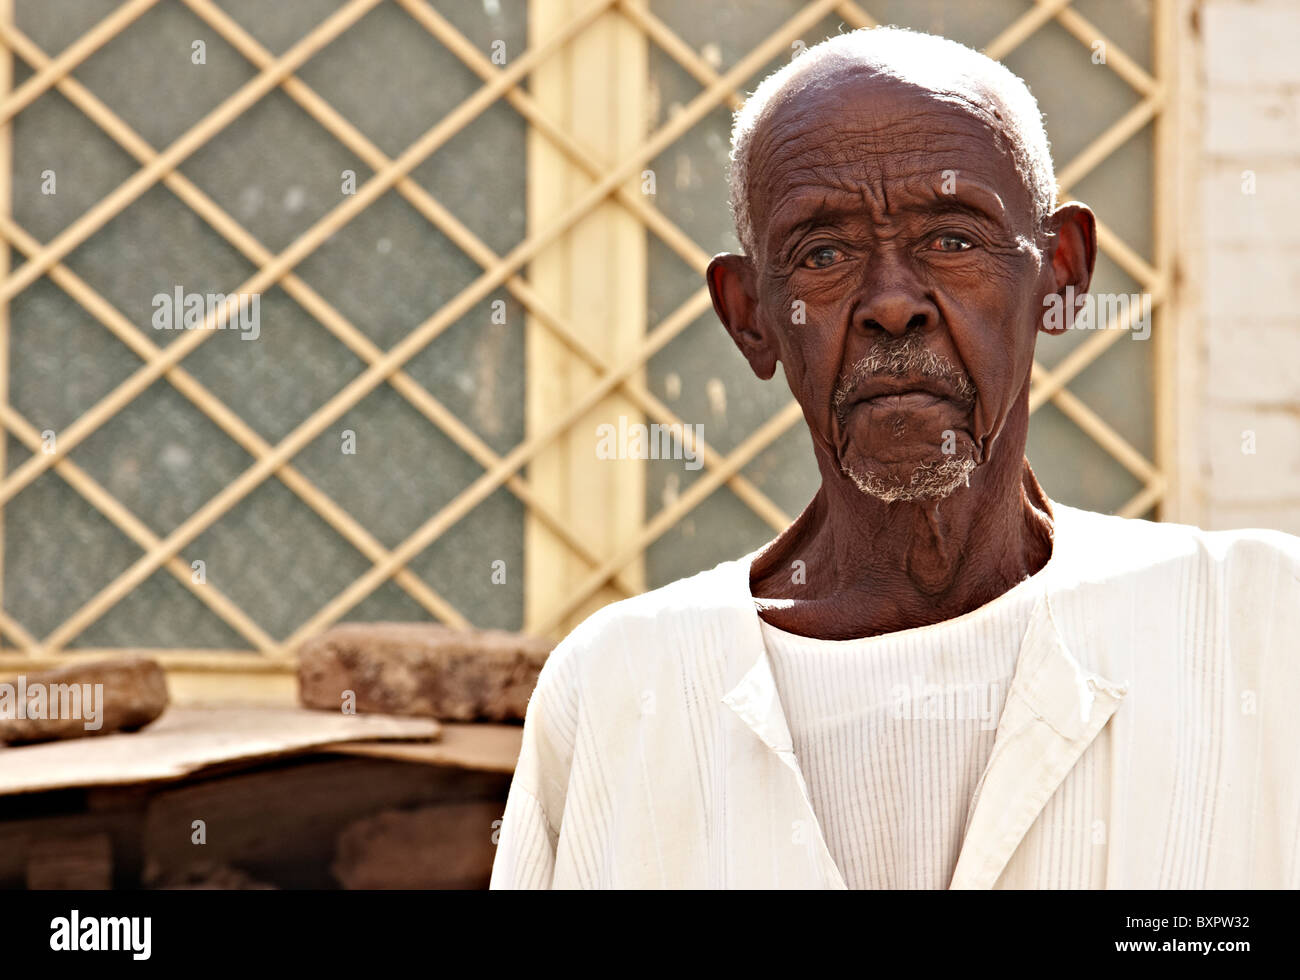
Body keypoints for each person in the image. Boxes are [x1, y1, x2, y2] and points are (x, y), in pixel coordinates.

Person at [490, 26, 1300, 889]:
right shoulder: (620, 691)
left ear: (1061, 275)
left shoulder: (1258, 631)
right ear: (751, 318)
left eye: (952, 238)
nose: (891, 303)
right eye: (824, 254)